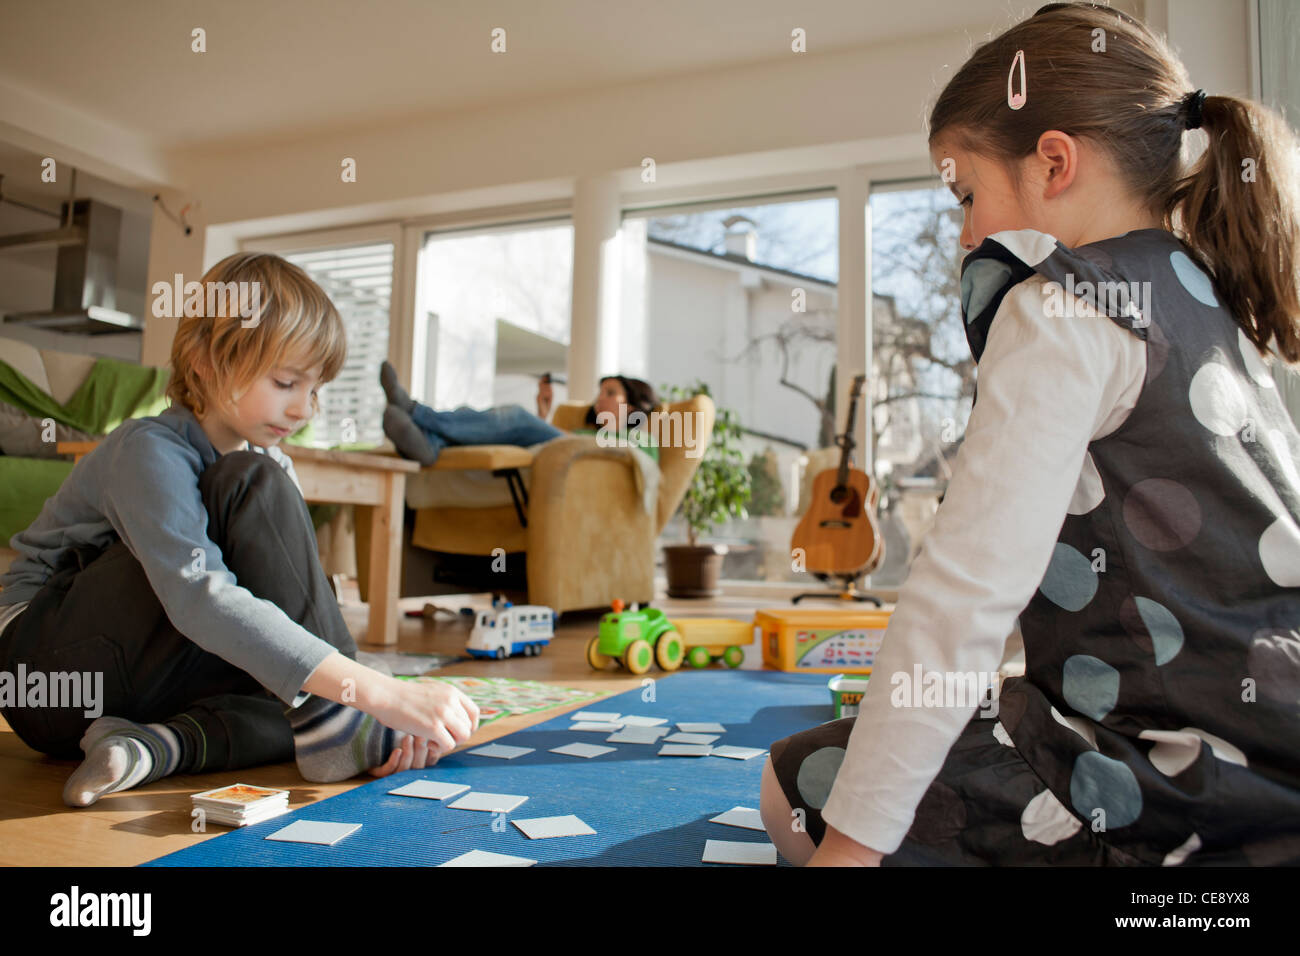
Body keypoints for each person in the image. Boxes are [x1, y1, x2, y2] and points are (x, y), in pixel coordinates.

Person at [762, 1, 1300, 866]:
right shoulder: (1207, 296)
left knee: (791, 789)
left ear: (1054, 162)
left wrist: (849, 853)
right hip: (1272, 744)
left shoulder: (1061, 307)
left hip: (1169, 779)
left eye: (966, 193)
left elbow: (963, 593)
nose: (968, 233)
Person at [0, 252, 479, 807]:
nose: (303, 407)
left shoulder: (270, 462)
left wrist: (362, 697)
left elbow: (296, 620)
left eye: (315, 388)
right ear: (205, 361)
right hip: (47, 676)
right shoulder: (147, 448)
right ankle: (339, 722)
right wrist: (378, 695)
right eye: (285, 381)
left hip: (139, 684)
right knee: (251, 493)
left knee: (293, 682)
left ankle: (159, 746)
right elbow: (198, 598)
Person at [380, 364, 659, 466]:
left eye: (610, 393)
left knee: (514, 415)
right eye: (600, 391)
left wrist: (535, 422)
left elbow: (573, 444)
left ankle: (417, 412)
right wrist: (542, 414)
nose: (600, 398)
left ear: (633, 407)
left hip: (565, 446)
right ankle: (430, 445)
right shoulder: (596, 433)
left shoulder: (640, 441)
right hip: (555, 445)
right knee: (470, 416)